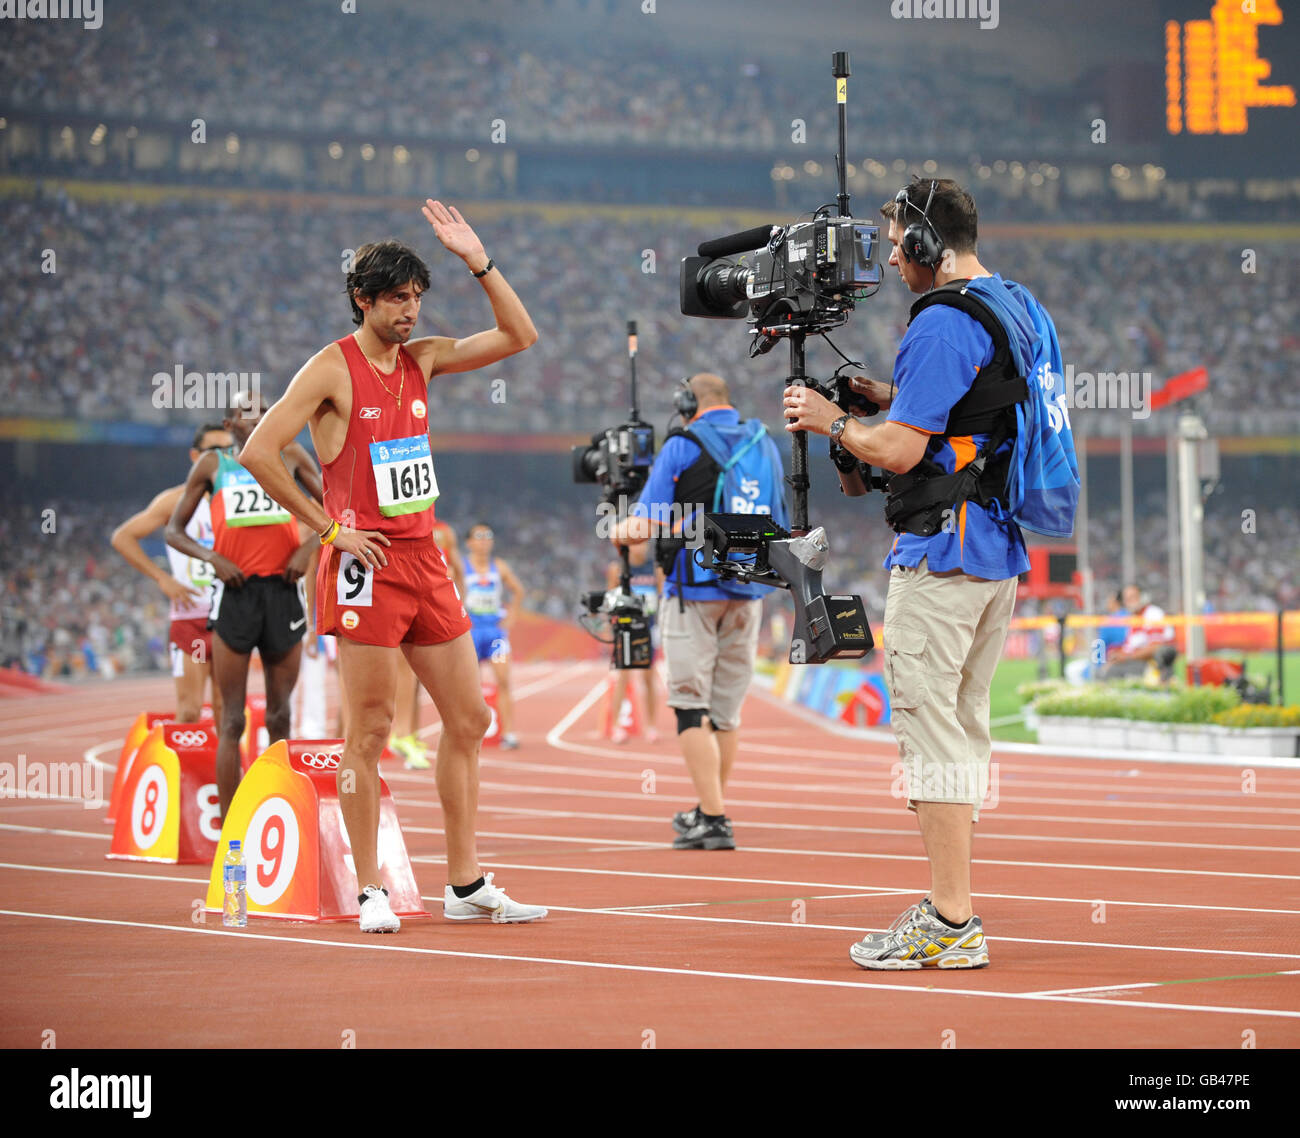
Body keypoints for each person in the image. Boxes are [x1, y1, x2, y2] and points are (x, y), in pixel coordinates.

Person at [236, 200, 546, 934]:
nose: (410, 312)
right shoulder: (329, 370)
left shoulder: (424, 359)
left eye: (417, 298)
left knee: (468, 719)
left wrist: (480, 260)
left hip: (424, 560)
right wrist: (329, 528)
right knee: (369, 730)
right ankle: (372, 887)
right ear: (362, 299)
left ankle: (465, 884)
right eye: (397, 299)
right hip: (364, 564)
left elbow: (519, 335)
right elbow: (257, 452)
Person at [783, 177, 1060, 970]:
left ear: (928, 243)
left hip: (943, 552)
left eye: (897, 238)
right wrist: (890, 397)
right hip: (995, 553)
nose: (891, 255)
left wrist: (833, 419)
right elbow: (976, 409)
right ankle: (955, 906)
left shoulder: (940, 322)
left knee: (932, 736)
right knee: (961, 731)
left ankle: (950, 918)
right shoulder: (1012, 303)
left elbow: (901, 452)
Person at [610, 372, 788, 851]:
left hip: (694, 591)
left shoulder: (683, 444)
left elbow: (644, 525)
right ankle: (711, 808)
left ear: (688, 402)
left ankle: (713, 816)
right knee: (726, 715)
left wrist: (618, 528)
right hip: (749, 591)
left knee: (691, 707)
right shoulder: (764, 442)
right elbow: (784, 521)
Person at [165, 394, 321, 818]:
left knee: (280, 716)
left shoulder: (288, 454)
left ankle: (281, 812)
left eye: (264, 411)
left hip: (283, 591)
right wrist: (213, 558)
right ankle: (232, 827)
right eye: (246, 413)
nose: (256, 418)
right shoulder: (212, 466)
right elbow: (173, 532)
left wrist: (309, 548)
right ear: (229, 422)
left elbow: (337, 509)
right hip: (235, 594)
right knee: (231, 720)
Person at [110, 423, 232, 722]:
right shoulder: (174, 500)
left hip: (232, 616)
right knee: (189, 711)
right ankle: (185, 769)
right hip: (189, 619)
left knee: (226, 714)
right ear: (194, 456)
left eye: (228, 450)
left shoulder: (240, 500)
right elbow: (123, 537)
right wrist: (162, 578)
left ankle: (228, 771)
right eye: (212, 451)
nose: (222, 457)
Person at [390, 519, 467, 769]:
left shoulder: (444, 530)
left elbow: (456, 567)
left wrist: (461, 604)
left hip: (435, 602)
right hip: (407, 597)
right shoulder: (401, 523)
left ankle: (411, 735)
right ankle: (401, 734)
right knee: (406, 673)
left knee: (418, 681)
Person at [463, 522, 525, 750]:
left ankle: (508, 733)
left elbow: (518, 590)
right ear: (469, 542)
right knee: (471, 686)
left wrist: (512, 616)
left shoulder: (499, 566)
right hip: (471, 632)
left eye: (488, 536)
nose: (484, 541)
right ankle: (470, 732)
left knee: (504, 681)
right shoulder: (461, 567)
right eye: (478, 536)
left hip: (495, 635)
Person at [605, 540, 661, 743]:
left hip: (649, 628)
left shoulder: (656, 568)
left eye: (644, 544)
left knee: (649, 678)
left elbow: (663, 596)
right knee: (623, 678)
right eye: (636, 544)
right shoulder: (618, 568)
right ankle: (615, 726)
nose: (641, 548)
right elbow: (610, 598)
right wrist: (612, 627)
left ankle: (652, 726)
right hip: (627, 628)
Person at [1104, 583, 1177, 681]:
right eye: (1127, 599)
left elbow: (1156, 647)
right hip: (1135, 662)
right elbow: (1129, 647)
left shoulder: (1153, 614)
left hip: (1149, 663)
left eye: (1133, 597)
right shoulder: (1134, 619)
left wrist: (1126, 657)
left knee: (1113, 673)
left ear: (1143, 597)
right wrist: (1117, 655)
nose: (1130, 601)